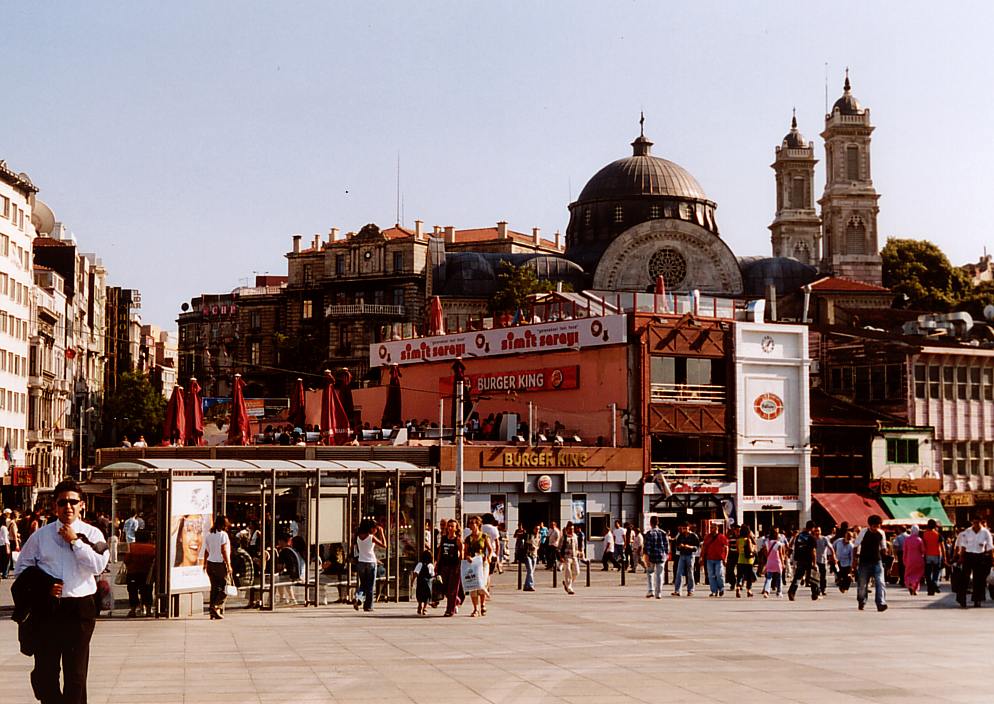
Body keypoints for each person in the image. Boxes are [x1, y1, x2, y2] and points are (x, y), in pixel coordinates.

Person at [14, 479, 110, 704]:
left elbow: (98, 565)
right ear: (55, 506)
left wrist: (75, 542)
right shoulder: (41, 536)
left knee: (76, 675)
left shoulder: (93, 533)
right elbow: (22, 568)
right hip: (49, 610)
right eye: (63, 502)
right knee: (45, 674)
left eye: (73, 502)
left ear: (82, 505)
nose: (68, 506)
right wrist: (44, 584)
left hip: (80, 608)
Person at [954, 516, 993, 608]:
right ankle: (962, 599)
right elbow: (963, 545)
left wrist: (992, 559)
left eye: (977, 523)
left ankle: (977, 600)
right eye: (974, 523)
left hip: (980, 556)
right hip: (968, 555)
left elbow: (990, 547)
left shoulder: (985, 532)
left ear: (980, 522)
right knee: (965, 578)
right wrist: (960, 557)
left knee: (978, 580)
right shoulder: (967, 532)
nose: (975, 525)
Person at [854, 514, 889, 612]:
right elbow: (855, 546)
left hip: (877, 562)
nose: (876, 528)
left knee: (880, 582)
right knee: (862, 584)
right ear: (870, 525)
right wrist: (854, 561)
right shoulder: (863, 532)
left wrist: (886, 554)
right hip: (864, 562)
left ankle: (881, 603)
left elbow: (883, 547)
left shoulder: (881, 533)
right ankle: (862, 601)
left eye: (878, 526)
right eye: (874, 526)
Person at [203, 515, 232, 620]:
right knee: (226, 587)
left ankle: (212, 611)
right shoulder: (223, 535)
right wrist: (229, 565)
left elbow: (207, 550)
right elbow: (224, 550)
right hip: (220, 563)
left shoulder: (209, 535)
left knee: (214, 588)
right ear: (224, 524)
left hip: (210, 563)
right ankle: (216, 606)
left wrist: (205, 564)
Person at [463, 515, 494, 616]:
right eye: (470, 524)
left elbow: (490, 549)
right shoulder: (468, 538)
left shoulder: (484, 536)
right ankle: (476, 608)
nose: (471, 525)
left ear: (478, 524)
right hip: (472, 563)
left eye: (473, 523)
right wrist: (467, 557)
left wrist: (489, 557)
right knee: (473, 586)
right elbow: (465, 552)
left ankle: (483, 604)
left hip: (482, 562)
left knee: (482, 582)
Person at [354, 519, 385, 612]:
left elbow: (360, 550)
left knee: (363, 584)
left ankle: (358, 598)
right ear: (371, 528)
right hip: (371, 562)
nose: (376, 530)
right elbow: (384, 545)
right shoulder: (371, 537)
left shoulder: (358, 536)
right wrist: (382, 533)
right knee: (370, 585)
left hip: (361, 562)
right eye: (375, 528)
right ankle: (368, 606)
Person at [123, 528, 155, 617]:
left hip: (133, 573)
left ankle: (133, 610)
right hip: (146, 573)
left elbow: (126, 560)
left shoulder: (131, 547)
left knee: (132, 591)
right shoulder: (152, 548)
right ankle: (148, 610)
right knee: (147, 591)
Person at [436, 519, 463, 616]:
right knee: (443, 587)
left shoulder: (458, 540)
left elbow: (461, 554)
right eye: (449, 526)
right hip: (444, 565)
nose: (450, 528)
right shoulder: (444, 538)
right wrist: (437, 563)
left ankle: (449, 610)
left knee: (452, 589)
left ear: (456, 529)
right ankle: (457, 600)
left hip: (454, 566)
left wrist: (459, 565)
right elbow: (440, 552)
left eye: (452, 526)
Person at [787, 520, 818, 602]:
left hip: (800, 560)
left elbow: (796, 547)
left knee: (798, 577)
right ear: (812, 528)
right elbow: (813, 551)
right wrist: (814, 563)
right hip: (809, 560)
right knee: (813, 577)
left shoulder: (799, 536)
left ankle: (792, 592)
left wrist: (796, 558)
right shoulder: (811, 537)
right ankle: (814, 593)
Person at [642, 515, 669, 599]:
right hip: (661, 556)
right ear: (658, 523)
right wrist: (666, 555)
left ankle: (651, 590)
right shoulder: (663, 533)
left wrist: (646, 557)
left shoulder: (649, 533)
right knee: (660, 575)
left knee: (650, 573)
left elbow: (647, 547)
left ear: (650, 523)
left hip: (652, 556)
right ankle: (659, 593)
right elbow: (667, 546)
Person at [671, 523, 700, 597]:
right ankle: (677, 590)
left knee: (690, 572)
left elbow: (697, 547)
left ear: (689, 528)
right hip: (682, 555)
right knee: (679, 572)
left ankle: (690, 590)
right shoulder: (680, 536)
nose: (684, 530)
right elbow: (677, 546)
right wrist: (680, 546)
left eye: (685, 528)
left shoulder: (693, 536)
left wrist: (689, 547)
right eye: (683, 528)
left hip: (690, 555)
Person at [701, 524, 729, 597]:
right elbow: (704, 547)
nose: (713, 529)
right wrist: (701, 557)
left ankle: (721, 588)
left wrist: (725, 558)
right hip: (709, 558)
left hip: (719, 559)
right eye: (712, 528)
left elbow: (726, 548)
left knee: (719, 574)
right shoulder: (707, 537)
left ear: (717, 528)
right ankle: (714, 590)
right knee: (711, 575)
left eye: (714, 528)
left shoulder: (722, 537)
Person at [921, 519, 945, 595]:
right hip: (937, 555)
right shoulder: (938, 534)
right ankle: (934, 583)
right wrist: (944, 557)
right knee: (936, 572)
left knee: (928, 573)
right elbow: (942, 547)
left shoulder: (924, 534)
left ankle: (930, 588)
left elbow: (923, 545)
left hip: (927, 555)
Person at [761, 527, 786, 597]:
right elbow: (781, 554)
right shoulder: (778, 543)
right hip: (777, 562)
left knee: (769, 578)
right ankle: (779, 592)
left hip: (769, 562)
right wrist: (783, 563)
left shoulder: (767, 542)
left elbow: (765, 552)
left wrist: (768, 558)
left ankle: (766, 591)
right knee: (779, 578)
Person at [812, 525, 835, 599]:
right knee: (815, 577)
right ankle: (817, 591)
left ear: (820, 531)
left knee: (823, 576)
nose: (817, 532)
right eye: (815, 531)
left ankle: (823, 589)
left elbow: (831, 548)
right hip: (814, 561)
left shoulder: (824, 539)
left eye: (818, 531)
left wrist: (833, 556)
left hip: (823, 560)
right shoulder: (812, 539)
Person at [902, 525, 925, 596]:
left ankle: (910, 584)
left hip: (909, 559)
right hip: (918, 560)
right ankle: (915, 588)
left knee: (908, 574)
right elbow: (923, 550)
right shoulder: (919, 540)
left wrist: (904, 559)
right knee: (918, 574)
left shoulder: (907, 540)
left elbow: (904, 550)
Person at [735, 525, 757, 598]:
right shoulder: (748, 539)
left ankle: (738, 588)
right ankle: (749, 591)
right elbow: (750, 550)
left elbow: (737, 550)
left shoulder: (738, 540)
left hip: (740, 560)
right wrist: (754, 551)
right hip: (748, 561)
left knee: (739, 576)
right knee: (748, 577)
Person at [559, 523, 580, 594]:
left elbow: (577, 546)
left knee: (577, 572)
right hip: (566, 557)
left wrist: (578, 552)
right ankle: (569, 588)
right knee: (568, 572)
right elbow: (559, 548)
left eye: (573, 529)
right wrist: (561, 557)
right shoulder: (564, 537)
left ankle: (566, 583)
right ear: (567, 529)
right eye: (570, 529)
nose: (572, 530)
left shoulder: (575, 536)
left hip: (574, 556)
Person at [413, 550, 435, 615]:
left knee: (420, 594)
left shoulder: (420, 564)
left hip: (420, 582)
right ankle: (425, 608)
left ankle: (419, 606)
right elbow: (432, 574)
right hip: (428, 583)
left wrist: (412, 581)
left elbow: (416, 573)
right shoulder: (430, 565)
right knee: (427, 595)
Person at [523, 524, 540, 591]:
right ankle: (531, 585)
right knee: (530, 570)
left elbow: (539, 544)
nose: (537, 530)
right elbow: (526, 544)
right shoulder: (530, 536)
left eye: (538, 529)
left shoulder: (539, 536)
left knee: (531, 571)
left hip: (535, 555)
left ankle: (526, 586)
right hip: (528, 554)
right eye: (536, 529)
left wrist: (537, 549)